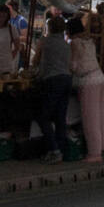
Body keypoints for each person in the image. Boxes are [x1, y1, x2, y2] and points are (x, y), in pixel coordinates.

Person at [32, 15, 72, 163]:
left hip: (52, 80)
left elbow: (37, 62)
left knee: (43, 116)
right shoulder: (67, 44)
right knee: (60, 117)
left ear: (50, 27)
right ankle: (60, 150)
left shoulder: (45, 42)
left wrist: (36, 74)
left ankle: (54, 150)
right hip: (67, 79)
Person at [69, 15, 104, 163]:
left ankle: (94, 153)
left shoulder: (75, 42)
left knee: (90, 118)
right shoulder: (90, 41)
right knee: (99, 116)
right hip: (99, 77)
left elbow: (74, 65)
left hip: (87, 80)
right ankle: (100, 147)